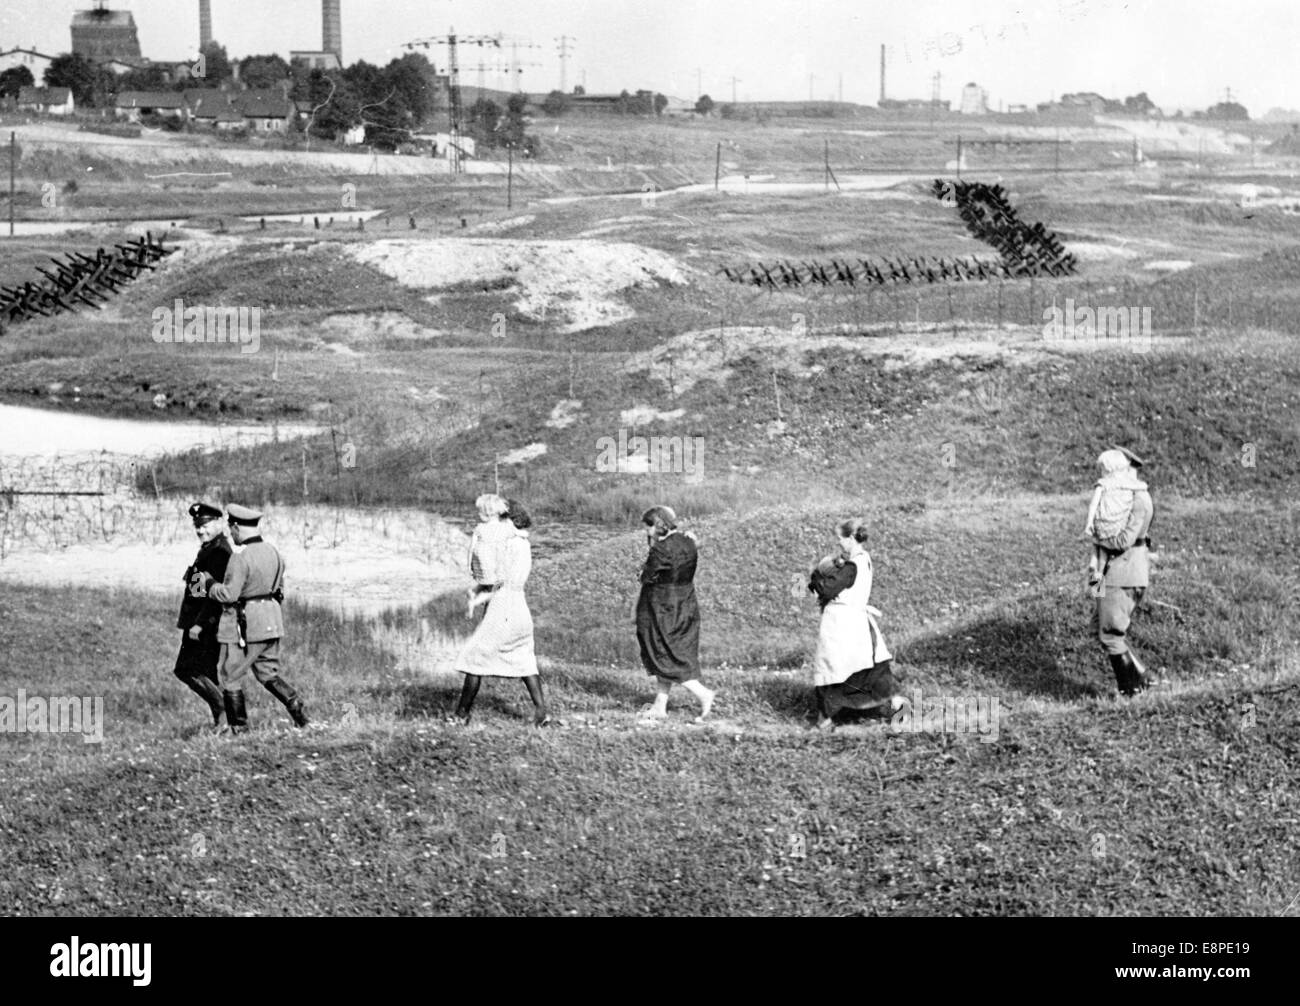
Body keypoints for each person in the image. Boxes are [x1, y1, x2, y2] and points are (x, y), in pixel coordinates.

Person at [205, 504, 309, 732]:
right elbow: (279, 590)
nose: (231, 535)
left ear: (236, 527)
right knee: (267, 673)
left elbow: (229, 595)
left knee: (230, 676)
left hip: (246, 626)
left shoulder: (240, 558)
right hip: (272, 622)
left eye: (231, 530)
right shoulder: (274, 553)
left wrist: (209, 584)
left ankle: (239, 729)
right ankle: (295, 705)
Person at [450, 499, 551, 726]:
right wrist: (481, 590)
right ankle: (541, 712)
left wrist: (479, 593)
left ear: (506, 519)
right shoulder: (523, 543)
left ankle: (461, 715)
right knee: (524, 658)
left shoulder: (505, 544)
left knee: (474, 658)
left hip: (502, 607)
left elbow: (496, 581)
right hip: (519, 605)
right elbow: (508, 579)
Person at [809, 519, 903, 731]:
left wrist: (817, 574)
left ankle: (824, 720)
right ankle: (896, 706)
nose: (839, 543)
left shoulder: (851, 567)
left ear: (851, 538)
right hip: (857, 623)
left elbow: (825, 590)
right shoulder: (864, 559)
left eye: (841, 539)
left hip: (841, 626)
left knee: (831, 668)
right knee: (870, 668)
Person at [635, 505, 714, 722]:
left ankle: (703, 694)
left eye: (648, 528)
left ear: (657, 525)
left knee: (664, 652)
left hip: (662, 606)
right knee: (669, 650)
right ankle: (660, 706)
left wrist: (651, 550)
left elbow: (645, 577)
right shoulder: (688, 541)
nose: (647, 532)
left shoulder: (660, 550)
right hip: (685, 603)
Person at [1089, 446, 1155, 697]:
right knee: (1099, 627)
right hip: (1108, 572)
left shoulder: (1139, 499)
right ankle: (1143, 679)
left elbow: (1123, 541)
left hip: (1124, 573)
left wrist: (1096, 536)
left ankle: (1132, 690)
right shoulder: (1118, 497)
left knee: (1110, 635)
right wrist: (1094, 585)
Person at [171, 501, 232, 730]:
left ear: (218, 523)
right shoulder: (208, 548)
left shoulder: (219, 552)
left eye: (205, 525)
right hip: (197, 622)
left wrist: (199, 624)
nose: (200, 530)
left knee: (188, 669)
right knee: (204, 671)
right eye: (197, 525)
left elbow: (215, 595)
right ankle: (224, 721)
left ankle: (224, 712)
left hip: (205, 624)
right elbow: (198, 588)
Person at [1084, 449, 1148, 591]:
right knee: (1103, 556)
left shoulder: (1102, 484)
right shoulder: (1128, 484)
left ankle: (1095, 579)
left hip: (1101, 526)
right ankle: (1097, 579)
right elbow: (1143, 486)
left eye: (1102, 469)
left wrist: (1089, 523)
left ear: (1107, 469)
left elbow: (1093, 505)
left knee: (1098, 546)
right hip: (1116, 526)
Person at [466, 493, 513, 619]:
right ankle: (476, 601)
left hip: (481, 565)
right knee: (497, 591)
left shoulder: (479, 528)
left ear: (488, 513)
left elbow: (471, 548)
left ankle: (473, 592)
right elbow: (510, 547)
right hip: (496, 567)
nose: (478, 514)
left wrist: (469, 565)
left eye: (480, 511)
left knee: (487, 584)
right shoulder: (505, 528)